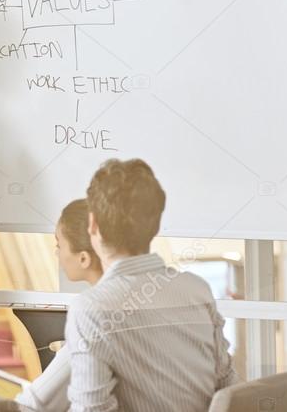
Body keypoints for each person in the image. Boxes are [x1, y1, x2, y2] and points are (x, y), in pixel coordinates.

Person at [65, 159, 237, 411]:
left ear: (93, 225)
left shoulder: (92, 308)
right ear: (155, 225)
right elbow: (226, 386)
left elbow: (90, 409)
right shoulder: (196, 290)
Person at [15, 198, 102, 412]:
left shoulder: (94, 315)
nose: (57, 253)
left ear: (83, 258)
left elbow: (36, 403)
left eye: (59, 245)